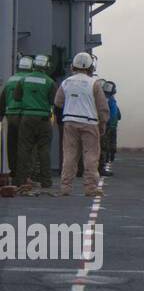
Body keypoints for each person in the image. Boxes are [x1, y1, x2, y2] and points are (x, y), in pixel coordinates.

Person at [53, 52, 108, 197]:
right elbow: (102, 108)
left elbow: (58, 103)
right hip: (89, 123)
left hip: (70, 122)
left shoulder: (66, 82)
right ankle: (90, 188)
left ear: (73, 66)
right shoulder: (94, 83)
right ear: (91, 67)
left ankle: (65, 187)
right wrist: (102, 125)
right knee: (90, 155)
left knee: (69, 155)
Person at [15, 55, 56, 195]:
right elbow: (53, 101)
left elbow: (16, 97)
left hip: (27, 117)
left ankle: (20, 180)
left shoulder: (23, 79)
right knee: (44, 150)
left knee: (24, 149)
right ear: (46, 66)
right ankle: (46, 181)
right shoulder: (50, 82)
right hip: (44, 119)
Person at [1, 56, 33, 193]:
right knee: (26, 147)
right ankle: (24, 177)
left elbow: (2, 101)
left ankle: (13, 173)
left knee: (11, 146)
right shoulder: (29, 80)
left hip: (10, 115)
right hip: (24, 115)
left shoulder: (10, 81)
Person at [98, 81, 121, 177]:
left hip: (103, 124)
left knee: (103, 146)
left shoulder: (102, 98)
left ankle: (102, 164)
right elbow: (116, 114)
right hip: (108, 126)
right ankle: (101, 168)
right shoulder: (111, 100)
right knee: (104, 146)